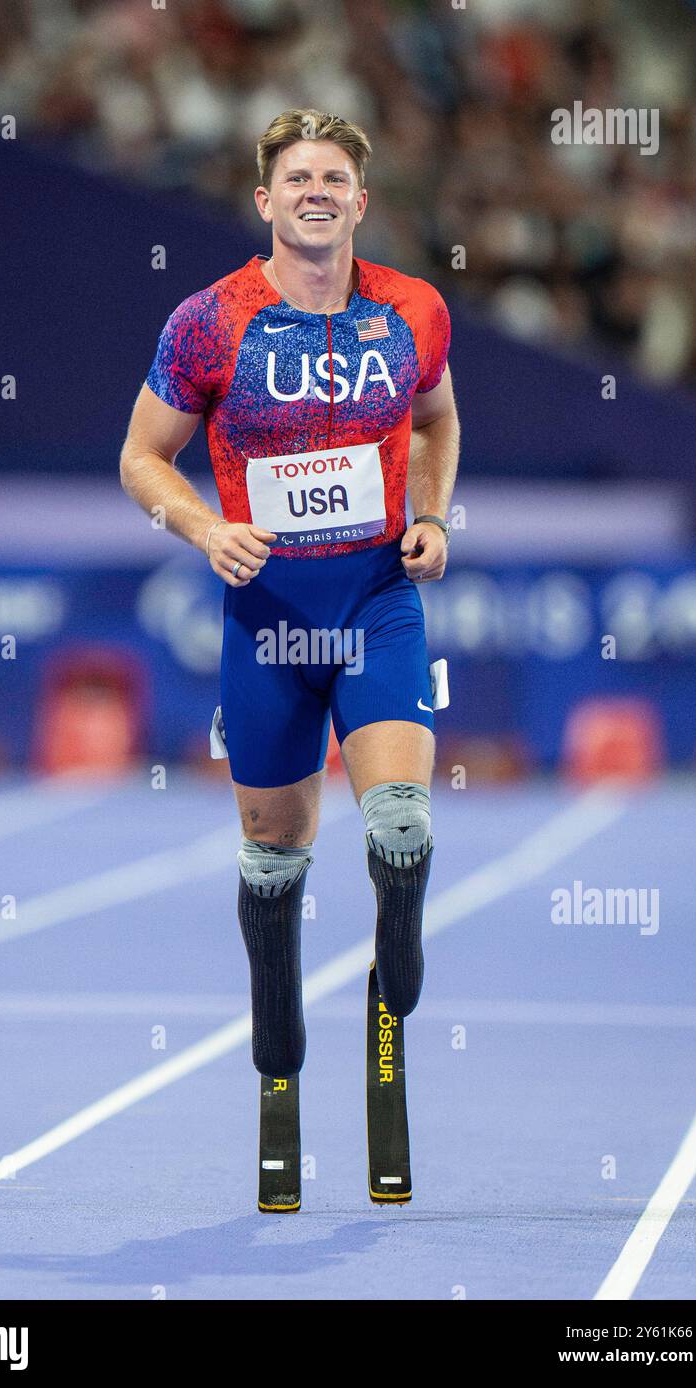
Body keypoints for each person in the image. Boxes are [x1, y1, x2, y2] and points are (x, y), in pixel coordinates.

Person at [120, 109, 460, 1192]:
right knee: (274, 863)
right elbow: (139, 458)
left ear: (360, 200)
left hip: (372, 602)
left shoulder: (413, 310)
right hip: (264, 618)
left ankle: (392, 964)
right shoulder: (209, 321)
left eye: (333, 177)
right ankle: (277, 1042)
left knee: (399, 830)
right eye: (295, 177)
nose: (314, 190)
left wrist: (435, 516)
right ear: (264, 201)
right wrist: (204, 526)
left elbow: (436, 422)